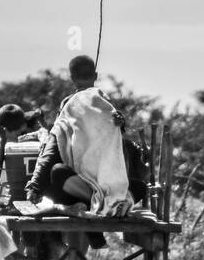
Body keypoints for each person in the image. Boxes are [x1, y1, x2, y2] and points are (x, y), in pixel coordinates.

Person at [25, 56, 147, 247]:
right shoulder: (108, 110)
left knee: (57, 173)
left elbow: (50, 152)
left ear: (72, 78)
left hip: (82, 189)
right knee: (140, 187)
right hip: (107, 190)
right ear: (95, 76)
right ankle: (106, 208)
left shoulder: (69, 109)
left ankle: (88, 213)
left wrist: (34, 186)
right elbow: (124, 153)